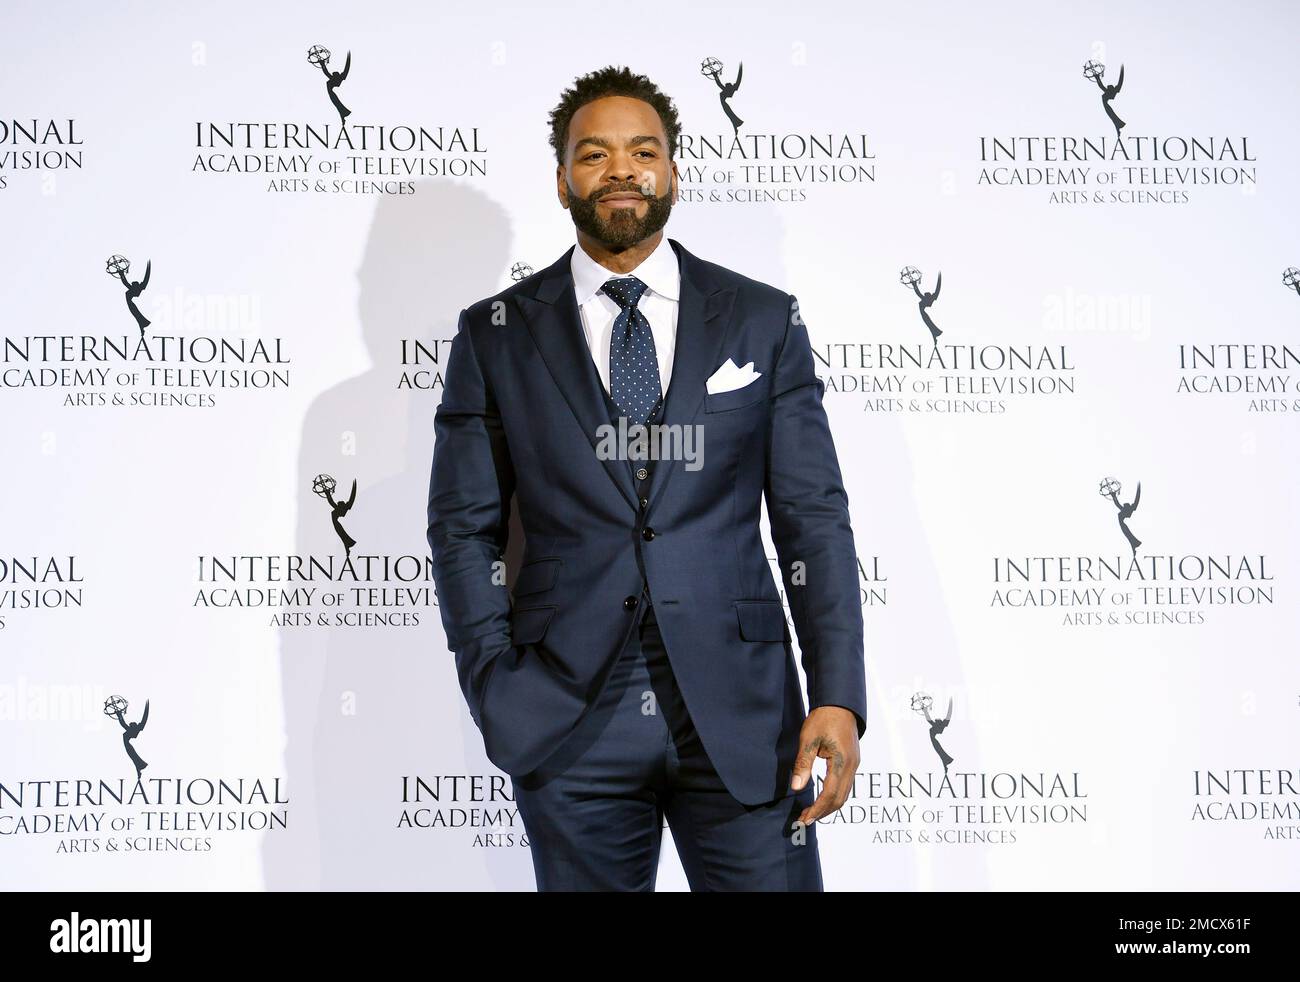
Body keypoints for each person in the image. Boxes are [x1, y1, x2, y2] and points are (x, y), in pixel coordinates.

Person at [427, 65, 866, 891]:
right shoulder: (495, 334)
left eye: (643, 151)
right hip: (566, 712)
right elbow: (463, 527)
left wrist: (838, 693)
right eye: (594, 154)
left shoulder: (761, 319)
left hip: (744, 711)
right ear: (562, 182)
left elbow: (813, 516)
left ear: (672, 171)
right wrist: (494, 678)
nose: (621, 170)